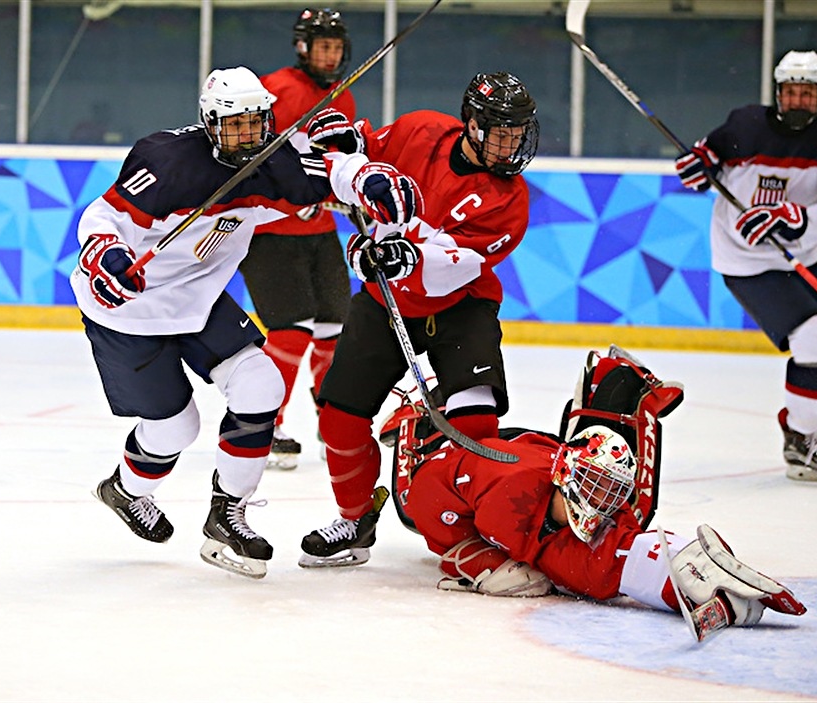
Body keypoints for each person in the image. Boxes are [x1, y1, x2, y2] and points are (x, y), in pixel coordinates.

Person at [74, 66, 420, 579]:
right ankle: (126, 490)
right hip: (131, 310)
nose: (247, 134)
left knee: (261, 385)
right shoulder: (166, 160)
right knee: (175, 428)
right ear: (210, 123)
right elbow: (103, 217)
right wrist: (104, 254)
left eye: (256, 122)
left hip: (200, 300)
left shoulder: (271, 162)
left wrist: (364, 176)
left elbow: (327, 170)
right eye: (234, 124)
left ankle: (227, 515)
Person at [390, 347, 806, 641]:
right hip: (453, 480)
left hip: (534, 468)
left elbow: (618, 542)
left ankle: (613, 378)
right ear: (565, 476)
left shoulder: (579, 487)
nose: (602, 500)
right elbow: (428, 499)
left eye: (609, 491)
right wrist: (472, 557)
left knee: (614, 542)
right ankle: (418, 417)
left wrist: (679, 559)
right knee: (420, 511)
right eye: (594, 486)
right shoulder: (504, 483)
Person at [296, 71, 540, 567]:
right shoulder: (421, 130)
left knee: (476, 423)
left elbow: (457, 266)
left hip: (462, 306)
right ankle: (355, 520)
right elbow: (359, 153)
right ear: (473, 124)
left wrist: (398, 255)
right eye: (502, 134)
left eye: (519, 134)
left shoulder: (510, 199)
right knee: (339, 419)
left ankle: (475, 529)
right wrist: (336, 140)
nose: (512, 146)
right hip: (386, 302)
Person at [674, 49, 817, 482]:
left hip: (800, 256)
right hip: (745, 259)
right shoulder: (745, 125)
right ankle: (801, 442)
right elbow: (707, 158)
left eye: (807, 93)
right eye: (791, 92)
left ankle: (810, 441)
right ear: (778, 92)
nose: (798, 100)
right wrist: (698, 167)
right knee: (815, 338)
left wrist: (796, 219)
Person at [239, 7, 356, 470]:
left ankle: (333, 424)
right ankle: (265, 425)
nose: (331, 56)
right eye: (323, 46)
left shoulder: (342, 96)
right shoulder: (277, 90)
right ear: (303, 47)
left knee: (334, 330)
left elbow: (336, 161)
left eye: (337, 47)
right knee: (291, 331)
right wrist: (290, 200)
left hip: (320, 233)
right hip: (269, 231)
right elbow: (248, 154)